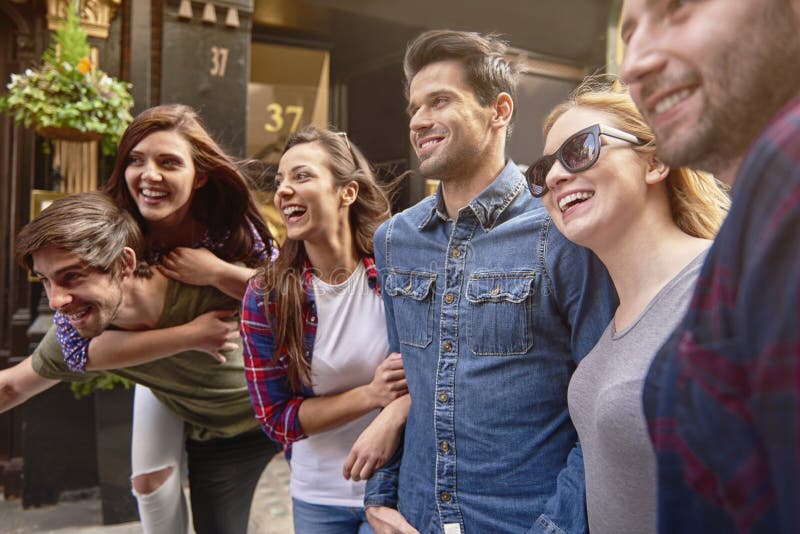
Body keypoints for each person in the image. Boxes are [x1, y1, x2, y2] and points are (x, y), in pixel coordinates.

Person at [363, 30, 617, 534]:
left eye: (439, 101)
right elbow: (403, 382)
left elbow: (599, 412)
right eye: (414, 107)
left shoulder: (561, 230)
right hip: (411, 517)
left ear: (499, 110)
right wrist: (379, 502)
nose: (418, 120)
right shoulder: (393, 240)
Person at [619, 0, 800, 531]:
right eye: (629, 33)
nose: (632, 65)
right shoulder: (754, 212)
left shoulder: (788, 162)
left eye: (677, 7)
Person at [51, 104, 275, 533]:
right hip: (159, 370)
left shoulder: (231, 227)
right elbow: (75, 349)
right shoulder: (109, 228)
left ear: (200, 175)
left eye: (168, 162)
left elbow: (287, 294)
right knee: (150, 485)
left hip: (226, 379)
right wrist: (189, 335)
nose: (148, 175)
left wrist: (216, 272)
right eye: (136, 160)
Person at [1, 191, 281, 534]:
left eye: (72, 275)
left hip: (290, 410)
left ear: (125, 263)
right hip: (222, 439)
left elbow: (304, 302)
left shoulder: (204, 280)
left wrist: (220, 272)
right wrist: (189, 336)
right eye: (45, 280)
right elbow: (11, 386)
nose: (56, 300)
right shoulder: (77, 334)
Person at [528, 77, 728, 533]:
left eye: (579, 150)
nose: (554, 177)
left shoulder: (729, 286)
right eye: (541, 172)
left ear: (655, 161)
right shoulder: (612, 321)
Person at [241, 126, 406, 533]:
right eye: (280, 181)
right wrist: (372, 395)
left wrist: (394, 410)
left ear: (347, 192)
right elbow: (276, 418)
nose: (283, 191)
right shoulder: (266, 297)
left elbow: (440, 369)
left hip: (398, 488)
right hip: (318, 496)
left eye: (302, 176)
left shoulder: (398, 272)